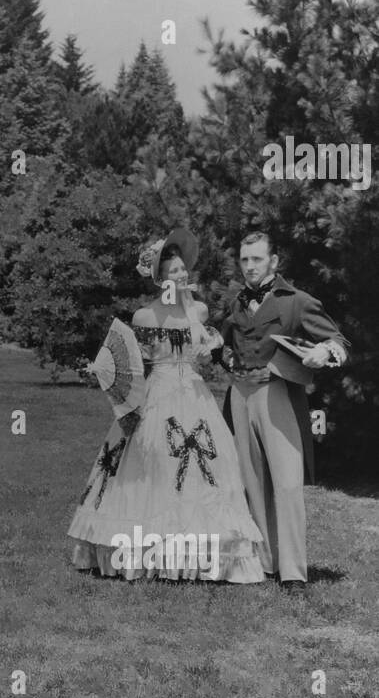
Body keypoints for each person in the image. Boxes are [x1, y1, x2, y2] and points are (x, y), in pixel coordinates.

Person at [68, 227, 265, 584]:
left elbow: (207, 354)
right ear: (159, 279)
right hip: (157, 392)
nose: (180, 275)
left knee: (211, 462)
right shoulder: (145, 317)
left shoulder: (200, 311)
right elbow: (134, 360)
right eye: (172, 271)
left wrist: (207, 345)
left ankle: (203, 550)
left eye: (182, 270)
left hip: (194, 393)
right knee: (155, 459)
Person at [218, 230, 347, 593]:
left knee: (288, 484)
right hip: (240, 395)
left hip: (277, 393)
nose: (249, 266)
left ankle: (293, 572)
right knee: (251, 481)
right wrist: (220, 352)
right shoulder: (238, 302)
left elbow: (338, 339)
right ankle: (265, 562)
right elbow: (226, 341)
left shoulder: (298, 301)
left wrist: (325, 352)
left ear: (274, 262)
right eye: (244, 260)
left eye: (257, 259)